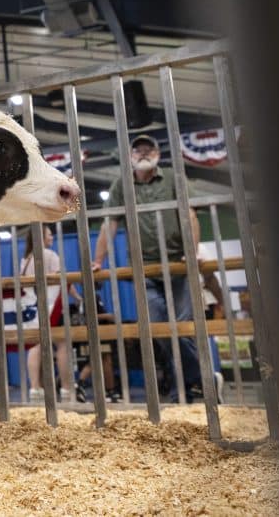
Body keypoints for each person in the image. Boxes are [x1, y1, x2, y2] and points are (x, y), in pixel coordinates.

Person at [92, 134, 204, 402]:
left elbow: (189, 214)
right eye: (138, 150)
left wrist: (193, 251)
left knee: (182, 329)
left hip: (177, 265)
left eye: (148, 149)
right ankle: (201, 379)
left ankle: (184, 389)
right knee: (159, 330)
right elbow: (109, 223)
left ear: (158, 154)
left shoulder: (173, 177)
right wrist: (98, 260)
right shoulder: (122, 184)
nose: (143, 153)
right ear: (130, 156)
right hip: (144, 269)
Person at [21, 225, 81, 403]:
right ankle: (66, 388)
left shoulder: (26, 259)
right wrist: (78, 298)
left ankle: (35, 388)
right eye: (49, 234)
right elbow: (63, 281)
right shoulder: (50, 255)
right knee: (62, 344)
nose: (52, 237)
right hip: (52, 306)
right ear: (41, 236)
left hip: (32, 308)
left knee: (35, 344)